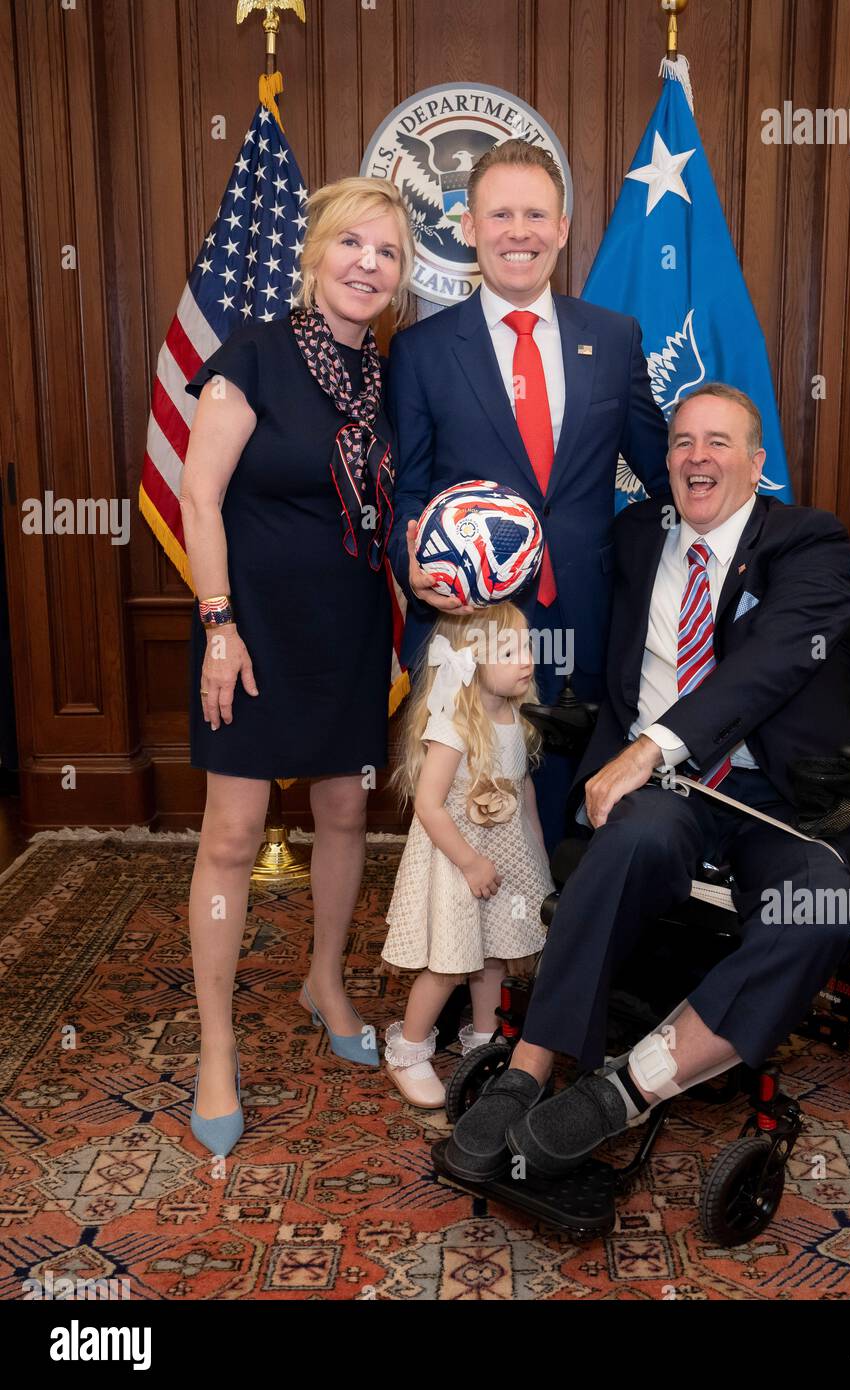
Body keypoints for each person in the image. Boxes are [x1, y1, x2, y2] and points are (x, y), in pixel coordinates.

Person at [443, 382, 850, 1182]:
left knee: (827, 906)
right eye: (682, 442)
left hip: (781, 799)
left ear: (757, 465)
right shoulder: (641, 534)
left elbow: (767, 665)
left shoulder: (812, 544)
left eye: (719, 442)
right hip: (670, 798)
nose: (697, 457)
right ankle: (528, 1070)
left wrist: (651, 747)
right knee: (628, 842)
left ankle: (625, 1089)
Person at [179, 177, 414, 1157]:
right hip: (253, 631)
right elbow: (198, 497)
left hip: (352, 627)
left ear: (401, 278)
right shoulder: (251, 359)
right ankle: (218, 1043)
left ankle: (325, 976)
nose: (366, 263)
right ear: (314, 253)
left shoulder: (385, 377)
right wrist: (219, 626)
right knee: (232, 836)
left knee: (346, 811)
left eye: (387, 251)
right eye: (350, 242)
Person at [387, 138, 670, 852]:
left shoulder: (613, 338)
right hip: (471, 625)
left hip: (589, 615)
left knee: (575, 802)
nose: (520, 232)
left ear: (564, 228)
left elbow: (666, 469)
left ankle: (563, 955)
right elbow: (407, 494)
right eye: (501, 214)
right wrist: (411, 565)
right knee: (474, 808)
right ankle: (476, 961)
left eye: (537, 215)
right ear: (469, 228)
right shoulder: (420, 351)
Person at [380, 603, 551, 1107]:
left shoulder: (517, 720)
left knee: (494, 953)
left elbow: (523, 795)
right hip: (456, 860)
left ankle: (484, 1041)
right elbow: (430, 806)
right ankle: (408, 1050)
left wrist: (536, 858)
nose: (526, 660)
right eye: (508, 651)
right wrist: (471, 863)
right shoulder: (453, 726)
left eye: (526, 647)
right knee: (450, 964)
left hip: (504, 860)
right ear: (471, 659)